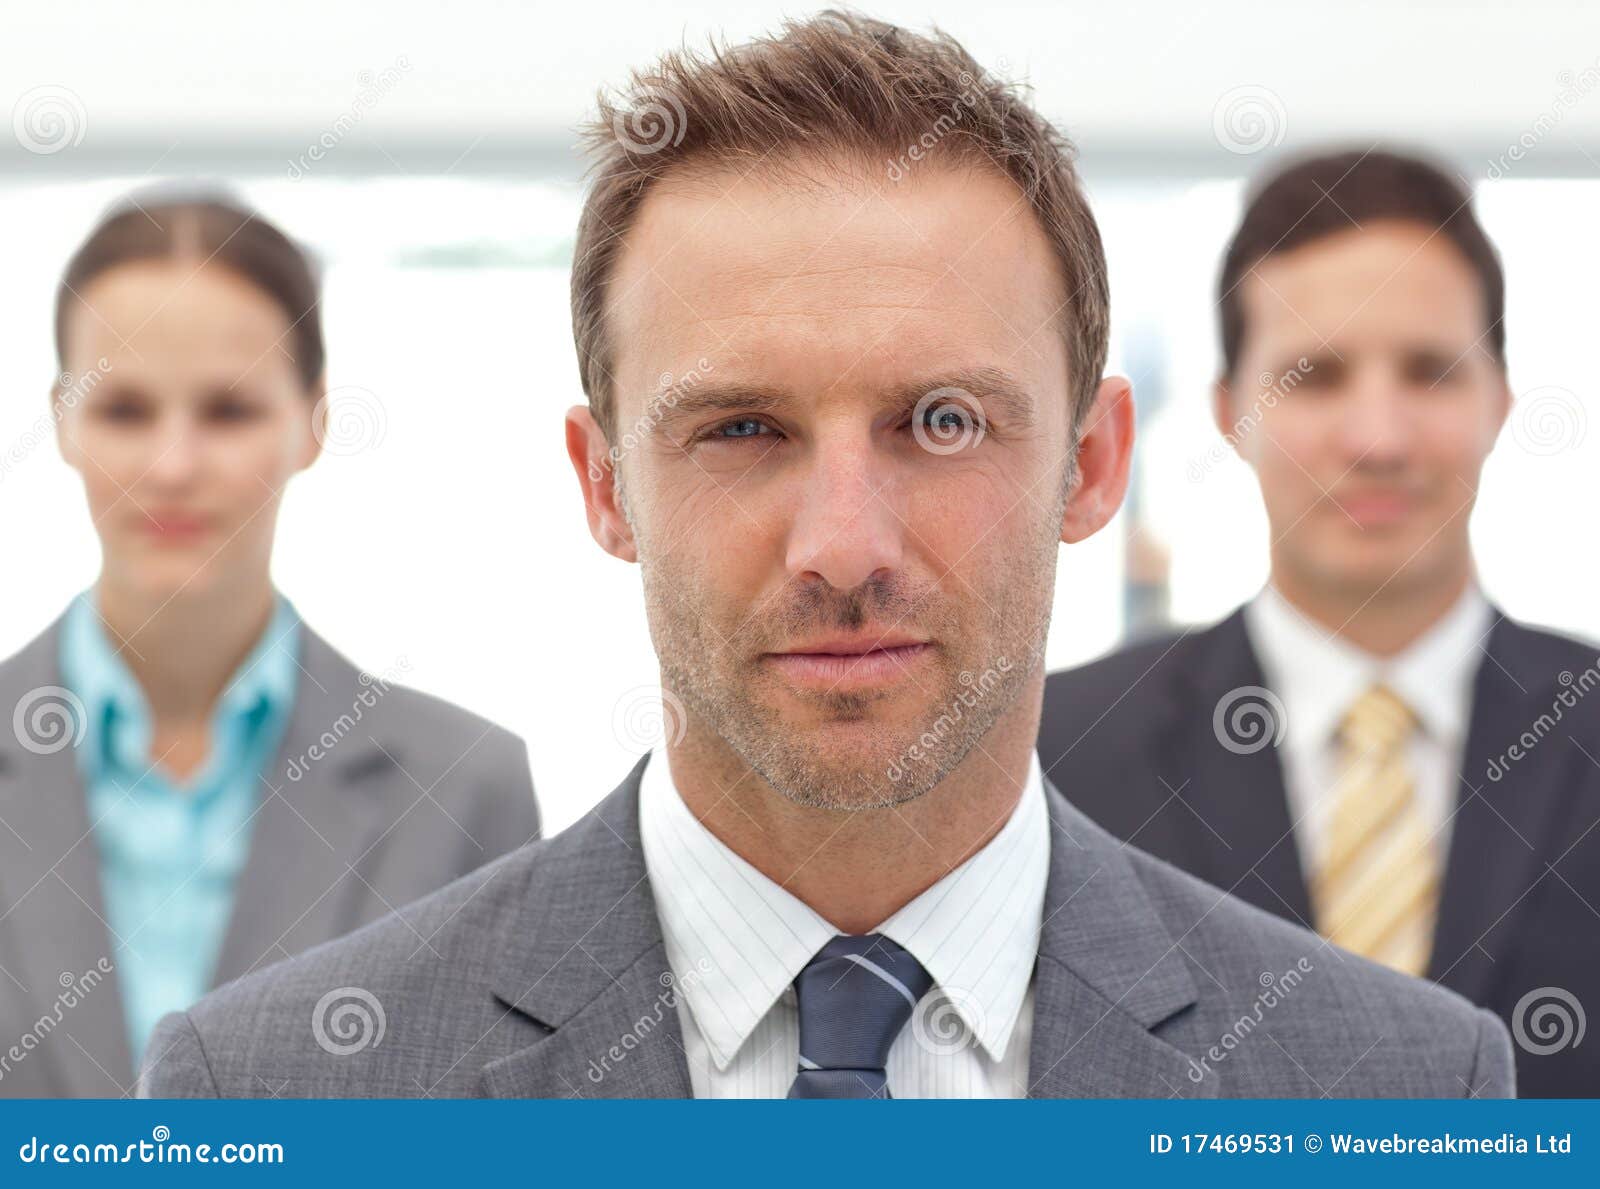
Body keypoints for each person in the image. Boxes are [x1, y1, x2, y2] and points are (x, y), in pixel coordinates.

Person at [140, 14, 1509, 1100]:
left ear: (1091, 465)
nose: (843, 546)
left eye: (944, 421)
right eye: (743, 428)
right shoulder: (280, 1099)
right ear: (603, 485)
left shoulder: (1399, 1092)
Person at [1037, 149, 1598, 1097]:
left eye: (1430, 371)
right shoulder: (1059, 752)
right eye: (1315, 375)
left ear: (1500, 400)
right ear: (1228, 414)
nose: (1378, 438)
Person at [0, 189, 540, 1098]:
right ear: (63, 420)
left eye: (228, 410)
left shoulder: (463, 792)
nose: (173, 465)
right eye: (126, 409)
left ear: (313, 423)